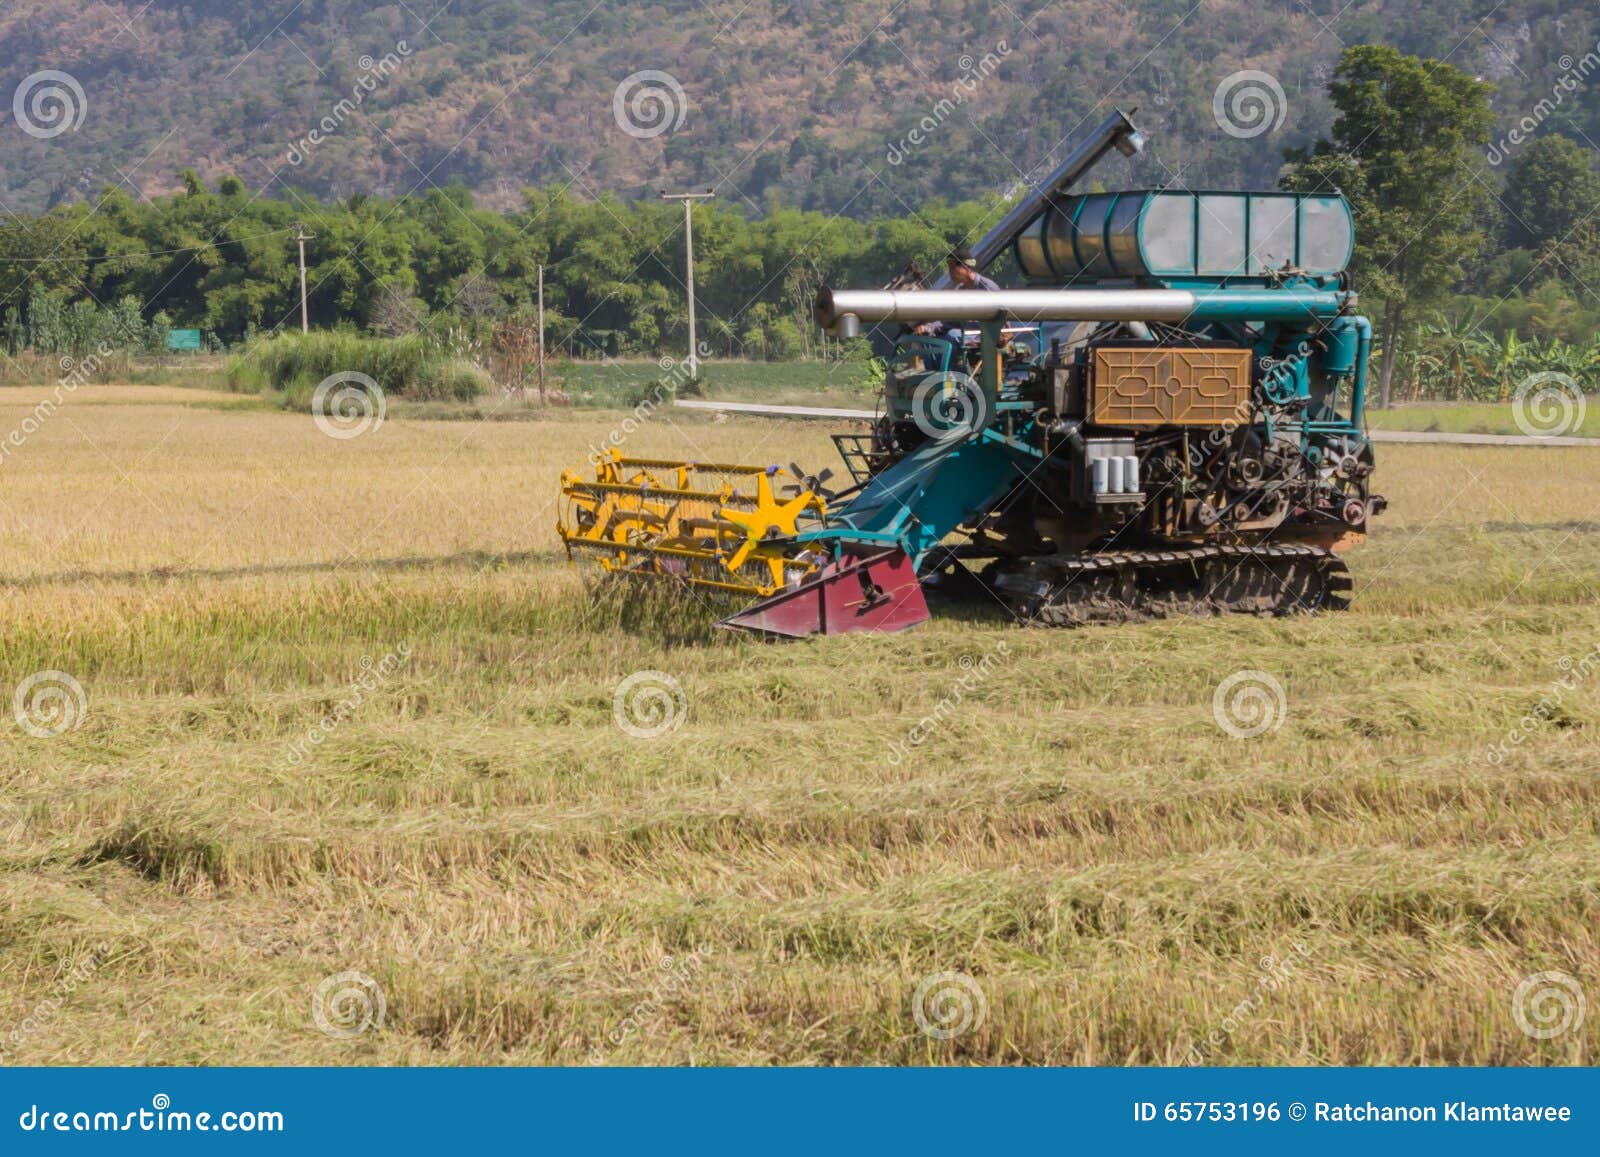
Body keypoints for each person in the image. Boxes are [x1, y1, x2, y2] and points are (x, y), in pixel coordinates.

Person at [914, 247, 998, 345]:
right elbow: (949, 320)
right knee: (931, 342)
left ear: (966, 267)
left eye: (953, 268)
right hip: (964, 336)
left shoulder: (987, 288)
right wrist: (928, 328)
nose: (950, 273)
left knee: (952, 335)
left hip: (983, 337)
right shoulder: (960, 291)